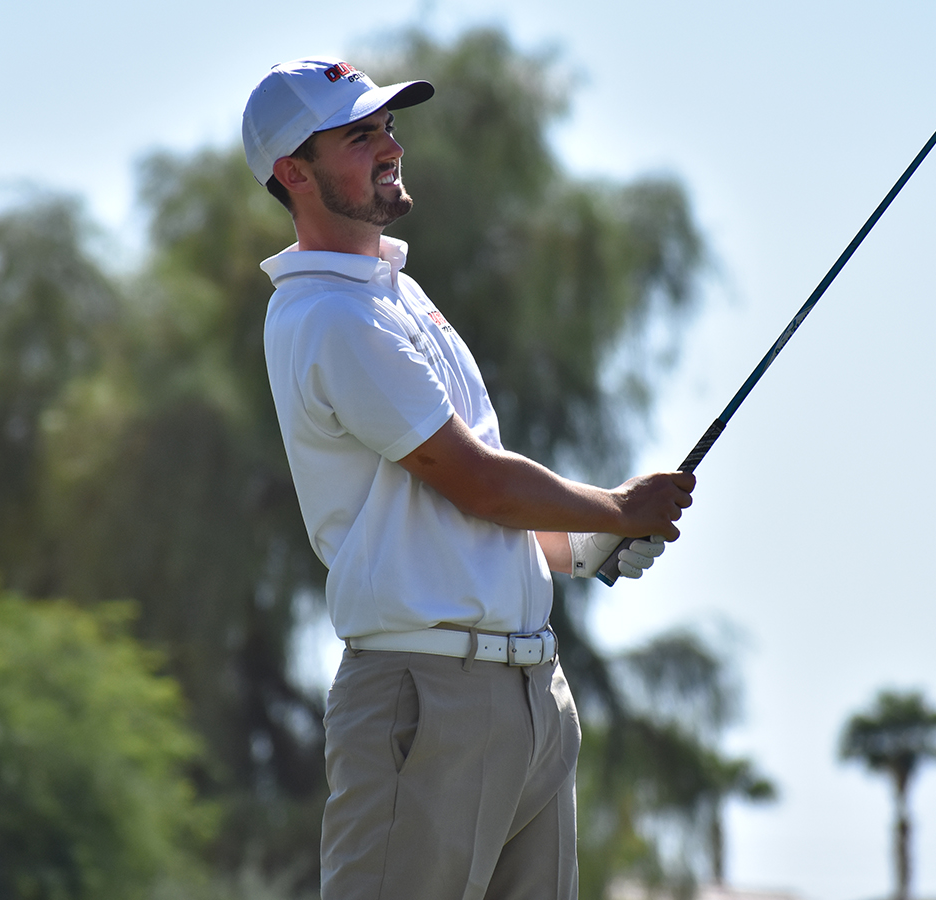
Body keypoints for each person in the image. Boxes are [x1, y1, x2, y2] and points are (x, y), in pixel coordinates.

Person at [243, 57, 696, 900]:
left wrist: (584, 547)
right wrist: (619, 507)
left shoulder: (400, 296)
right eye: (359, 136)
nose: (389, 146)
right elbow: (478, 483)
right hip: (425, 700)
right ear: (293, 174)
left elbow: (461, 514)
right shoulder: (332, 316)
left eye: (385, 126)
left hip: (528, 694)